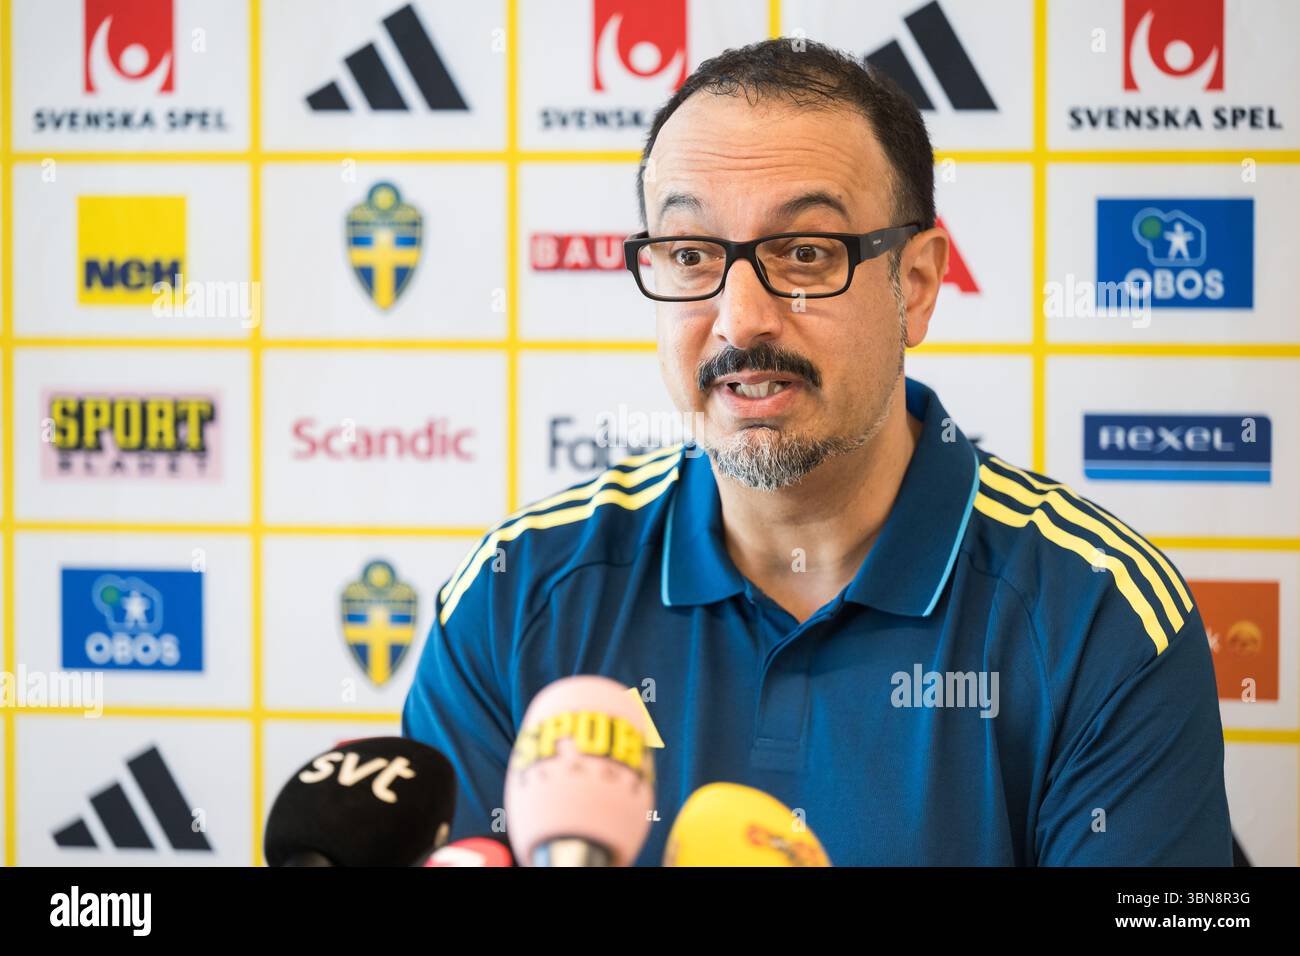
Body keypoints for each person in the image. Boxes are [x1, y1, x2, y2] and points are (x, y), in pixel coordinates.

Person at [403, 38, 1232, 865]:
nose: (740, 319)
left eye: (804, 253)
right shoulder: (517, 597)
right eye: (691, 255)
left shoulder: (1100, 615)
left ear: (915, 284)